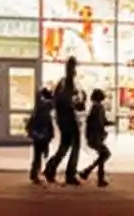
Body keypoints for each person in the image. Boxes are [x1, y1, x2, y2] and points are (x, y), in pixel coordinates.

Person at [43, 56, 83, 185]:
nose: (75, 71)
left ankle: (51, 168)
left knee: (65, 145)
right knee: (74, 144)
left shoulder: (63, 82)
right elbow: (66, 101)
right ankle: (69, 174)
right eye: (74, 68)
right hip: (67, 118)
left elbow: (59, 99)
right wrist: (76, 104)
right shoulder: (68, 82)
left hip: (63, 117)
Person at [79, 88, 112, 188]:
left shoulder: (94, 107)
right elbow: (99, 123)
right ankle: (88, 171)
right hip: (95, 137)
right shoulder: (98, 107)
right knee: (105, 154)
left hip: (93, 136)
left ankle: (98, 178)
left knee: (102, 156)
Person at [26, 87, 54, 183]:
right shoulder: (45, 108)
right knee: (39, 155)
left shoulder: (40, 108)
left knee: (38, 155)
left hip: (38, 135)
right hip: (41, 135)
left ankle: (35, 173)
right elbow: (47, 123)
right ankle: (35, 174)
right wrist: (49, 134)